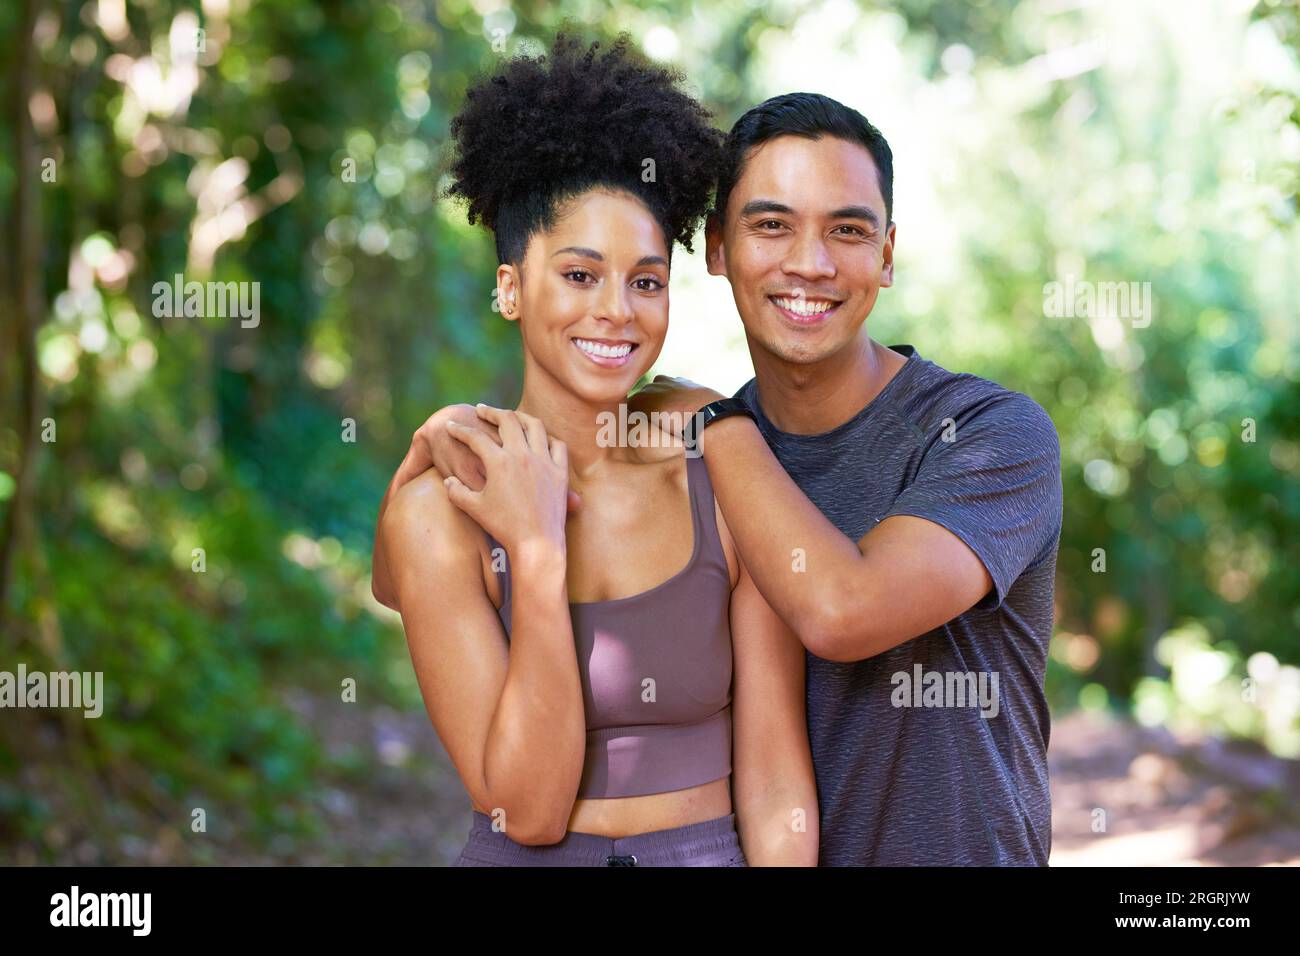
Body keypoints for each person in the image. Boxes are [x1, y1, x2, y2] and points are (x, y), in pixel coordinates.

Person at [388, 92, 1063, 866]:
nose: (809, 262)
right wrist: (419, 495)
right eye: (772, 225)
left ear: (886, 253)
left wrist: (708, 416)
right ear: (717, 249)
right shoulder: (712, 454)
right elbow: (417, 578)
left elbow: (842, 610)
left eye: (847, 229)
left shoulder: (982, 435)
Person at [372, 33, 817, 867]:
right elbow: (527, 811)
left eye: (646, 281)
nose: (617, 311)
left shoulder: (717, 463)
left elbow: (773, 767)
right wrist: (535, 556)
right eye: (580, 275)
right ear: (511, 288)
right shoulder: (440, 512)